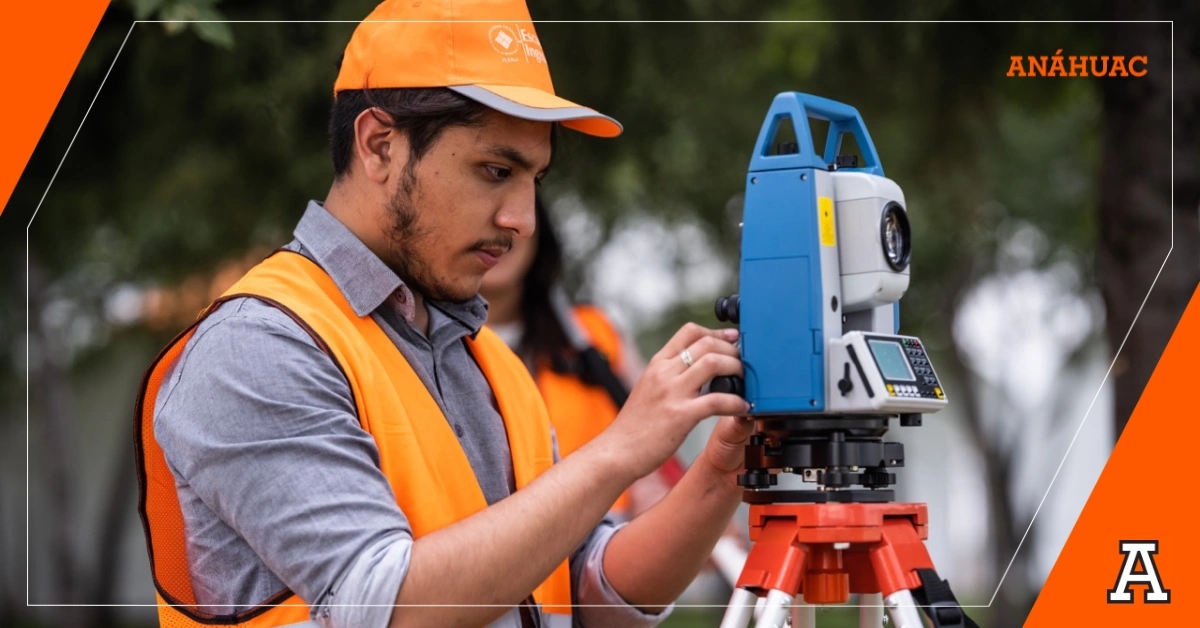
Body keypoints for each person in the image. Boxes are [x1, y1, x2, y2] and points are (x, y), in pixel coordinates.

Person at [134, 2, 754, 628]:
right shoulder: (258, 346)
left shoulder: (491, 361)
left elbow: (582, 589)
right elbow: (390, 606)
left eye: (533, 178)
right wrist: (619, 451)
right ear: (379, 146)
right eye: (495, 170)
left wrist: (725, 470)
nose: (524, 219)